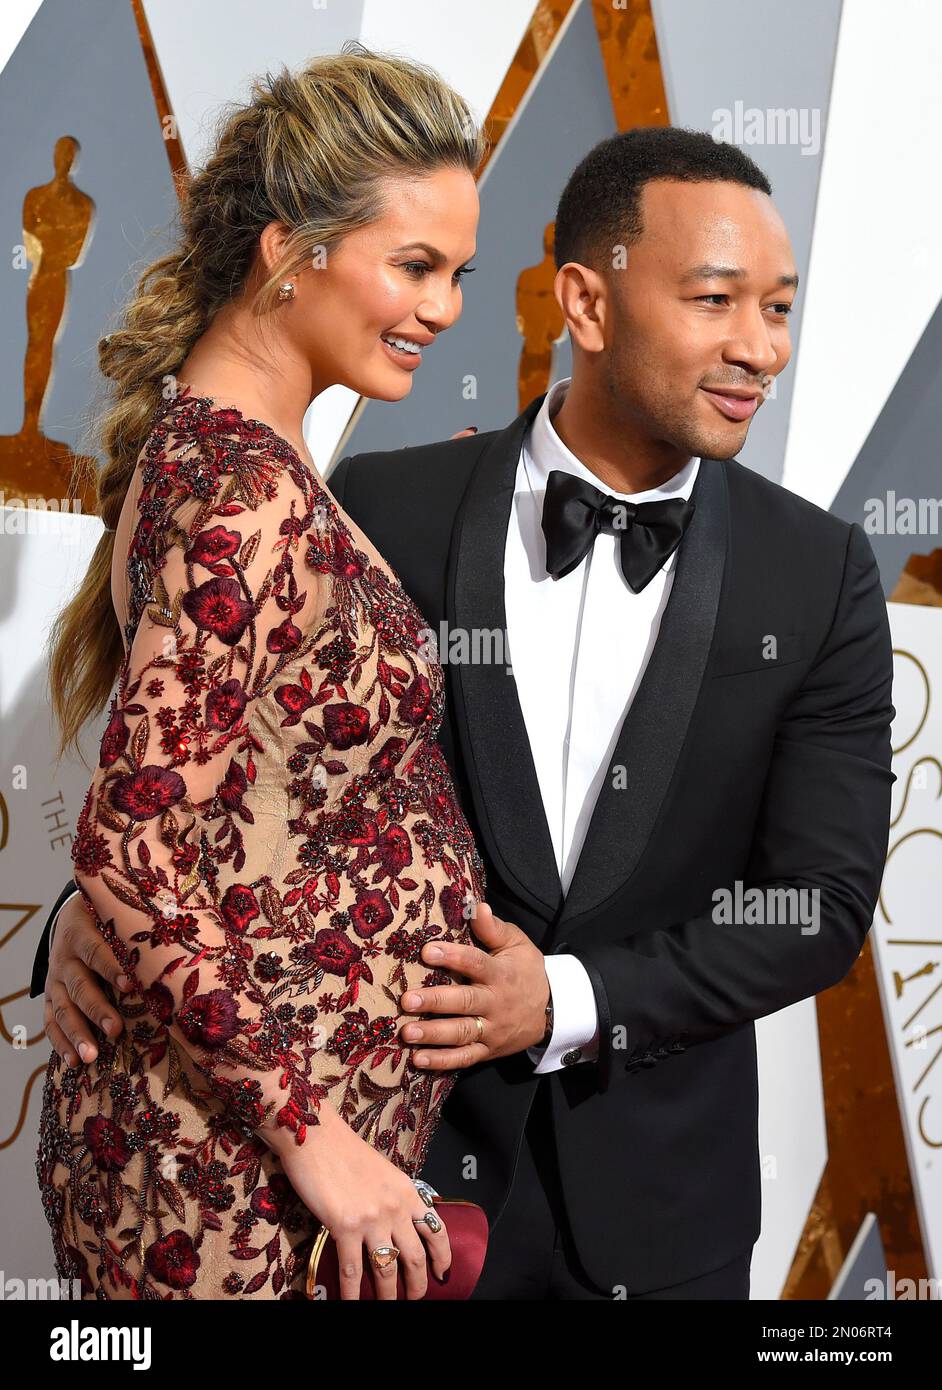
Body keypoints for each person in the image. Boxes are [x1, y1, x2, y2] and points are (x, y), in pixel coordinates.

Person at [33, 127, 896, 1301]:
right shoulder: (383, 502)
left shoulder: (819, 571)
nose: (760, 348)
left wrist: (574, 998)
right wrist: (94, 919)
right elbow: (241, 768)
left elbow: (824, 900)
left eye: (781, 309)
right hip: (379, 1185)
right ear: (586, 301)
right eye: (716, 299)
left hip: (659, 1214)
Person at [31, 44, 532, 1302]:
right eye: (412, 266)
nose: (447, 307)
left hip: (261, 1153)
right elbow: (133, 848)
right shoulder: (244, 494)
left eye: (459, 272)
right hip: (227, 1174)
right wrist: (324, 1150)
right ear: (289, 249)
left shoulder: (248, 457)